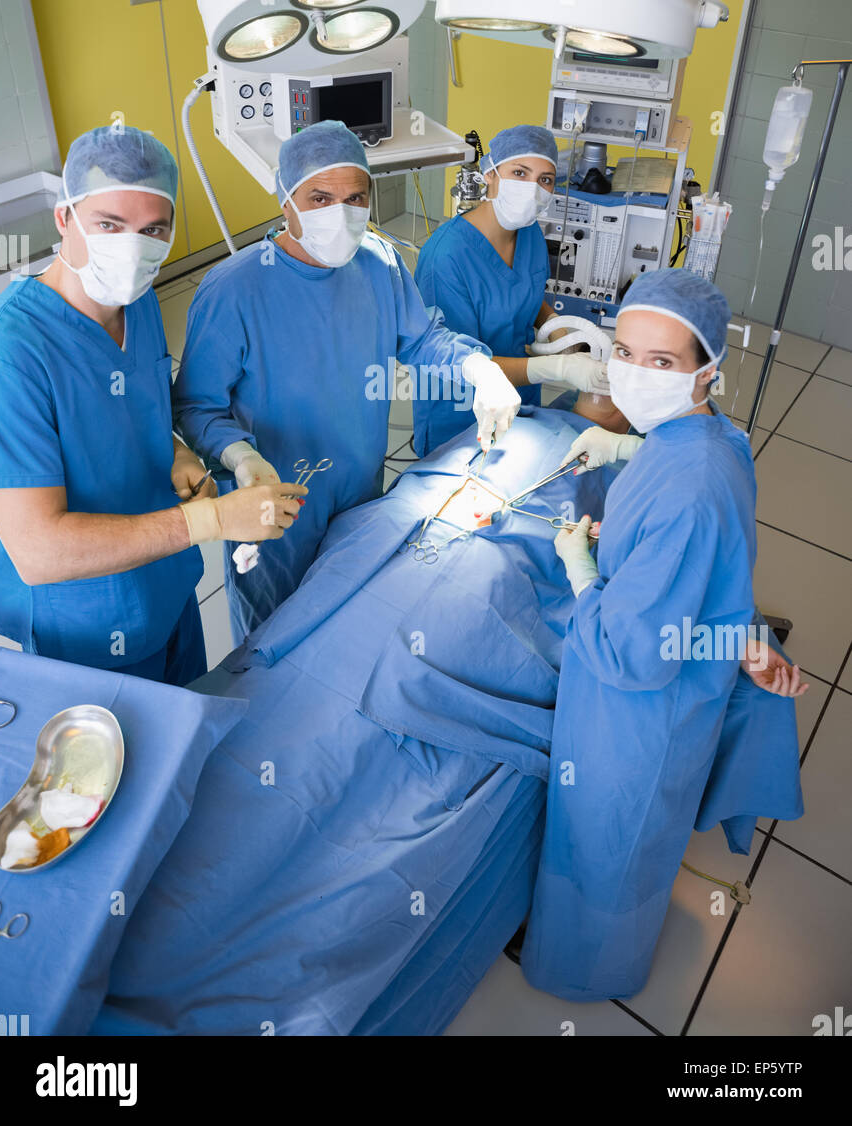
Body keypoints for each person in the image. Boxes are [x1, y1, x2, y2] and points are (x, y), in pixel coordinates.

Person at [520, 267, 805, 1001]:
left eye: (663, 362)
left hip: (634, 721)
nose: (634, 375)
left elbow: (627, 654)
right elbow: (710, 576)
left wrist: (582, 570)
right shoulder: (713, 442)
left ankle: (583, 970)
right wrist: (624, 455)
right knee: (628, 844)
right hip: (681, 678)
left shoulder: (689, 492)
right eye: (625, 352)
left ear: (707, 369)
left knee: (608, 847)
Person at [173, 118, 521, 643]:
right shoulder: (234, 289)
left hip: (358, 487)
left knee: (344, 617)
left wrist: (478, 368)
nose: (341, 213)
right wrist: (239, 458)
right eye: (319, 197)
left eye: (356, 196)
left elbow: (422, 339)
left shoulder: (378, 263)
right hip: (274, 499)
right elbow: (197, 407)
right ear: (285, 201)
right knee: (274, 642)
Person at [0, 125, 301, 684]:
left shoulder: (139, 304)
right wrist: (212, 519)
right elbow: (39, 550)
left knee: (191, 731)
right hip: (86, 620)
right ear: (65, 219)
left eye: (153, 229)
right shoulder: (10, 353)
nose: (132, 247)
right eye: (109, 225)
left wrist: (177, 451)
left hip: (168, 584)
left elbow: (135, 409)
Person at [413, 124, 609, 455]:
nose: (532, 188)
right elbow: (459, 360)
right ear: (489, 173)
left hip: (523, 397)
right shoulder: (446, 258)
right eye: (519, 172)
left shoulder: (529, 232)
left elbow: (526, 294)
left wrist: (556, 329)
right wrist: (557, 368)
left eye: (545, 179)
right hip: (461, 414)